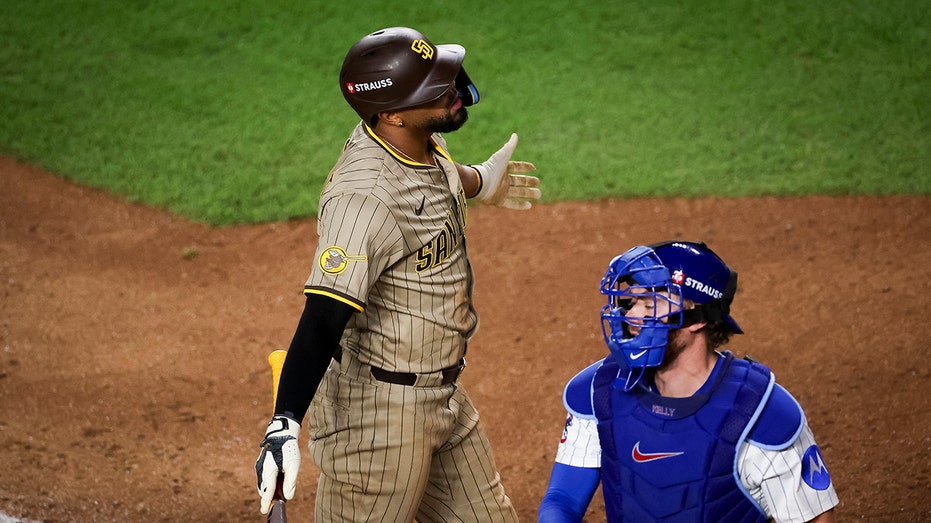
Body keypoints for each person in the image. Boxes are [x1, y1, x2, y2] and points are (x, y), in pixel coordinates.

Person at [254, 27, 540, 522]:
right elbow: (323, 317)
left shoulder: (417, 141)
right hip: (377, 420)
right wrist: (284, 423)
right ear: (390, 113)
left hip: (444, 397)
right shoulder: (363, 198)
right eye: (436, 89)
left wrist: (480, 180)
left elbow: (435, 182)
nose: (452, 92)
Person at [538, 241, 839, 523]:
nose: (631, 315)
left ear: (698, 318)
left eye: (650, 303)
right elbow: (562, 499)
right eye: (631, 301)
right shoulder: (600, 390)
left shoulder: (760, 415)